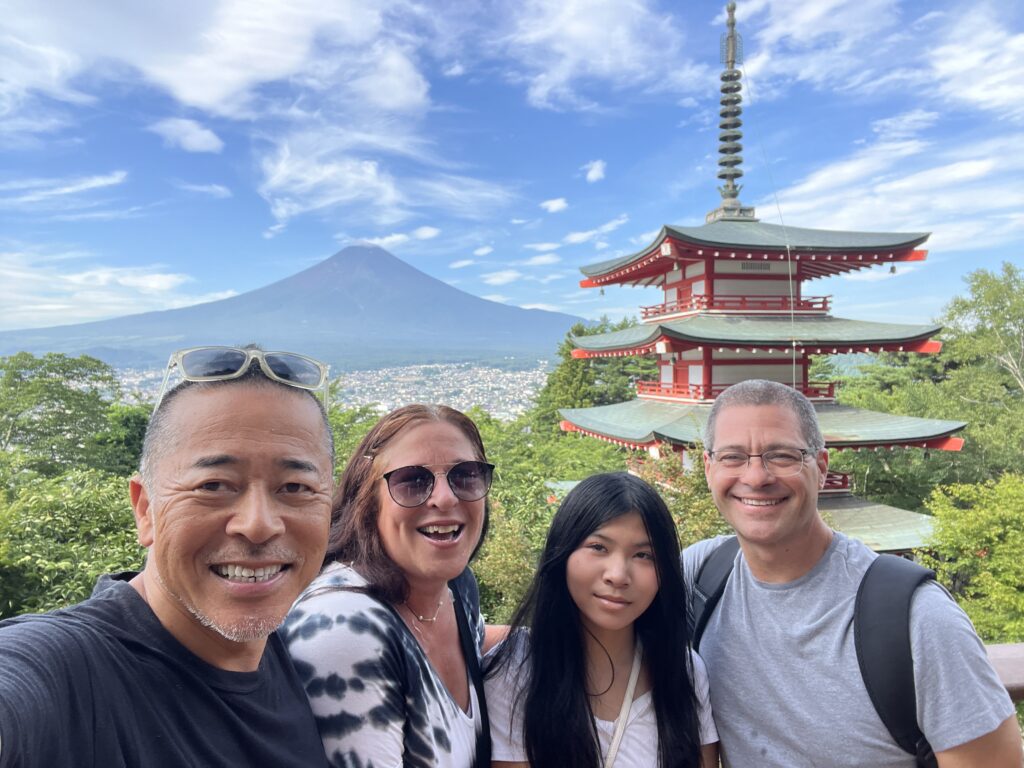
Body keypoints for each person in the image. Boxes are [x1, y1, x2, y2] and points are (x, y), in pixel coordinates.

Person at [0, 345, 337, 767]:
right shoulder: (68, 671)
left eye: (295, 487)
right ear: (145, 510)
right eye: (213, 485)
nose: (258, 524)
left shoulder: (296, 662)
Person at [682, 378, 1022, 768]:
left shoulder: (917, 620)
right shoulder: (700, 577)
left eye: (782, 456)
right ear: (709, 468)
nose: (756, 477)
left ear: (821, 467)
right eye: (733, 457)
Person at [283, 404, 493, 768]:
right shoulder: (344, 628)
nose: (445, 498)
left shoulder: (456, 589)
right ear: (368, 500)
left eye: (465, 476)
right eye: (412, 481)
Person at [485, 471, 719, 768]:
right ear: (563, 552)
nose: (618, 575)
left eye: (644, 555)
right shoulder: (515, 672)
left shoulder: (683, 671)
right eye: (599, 547)